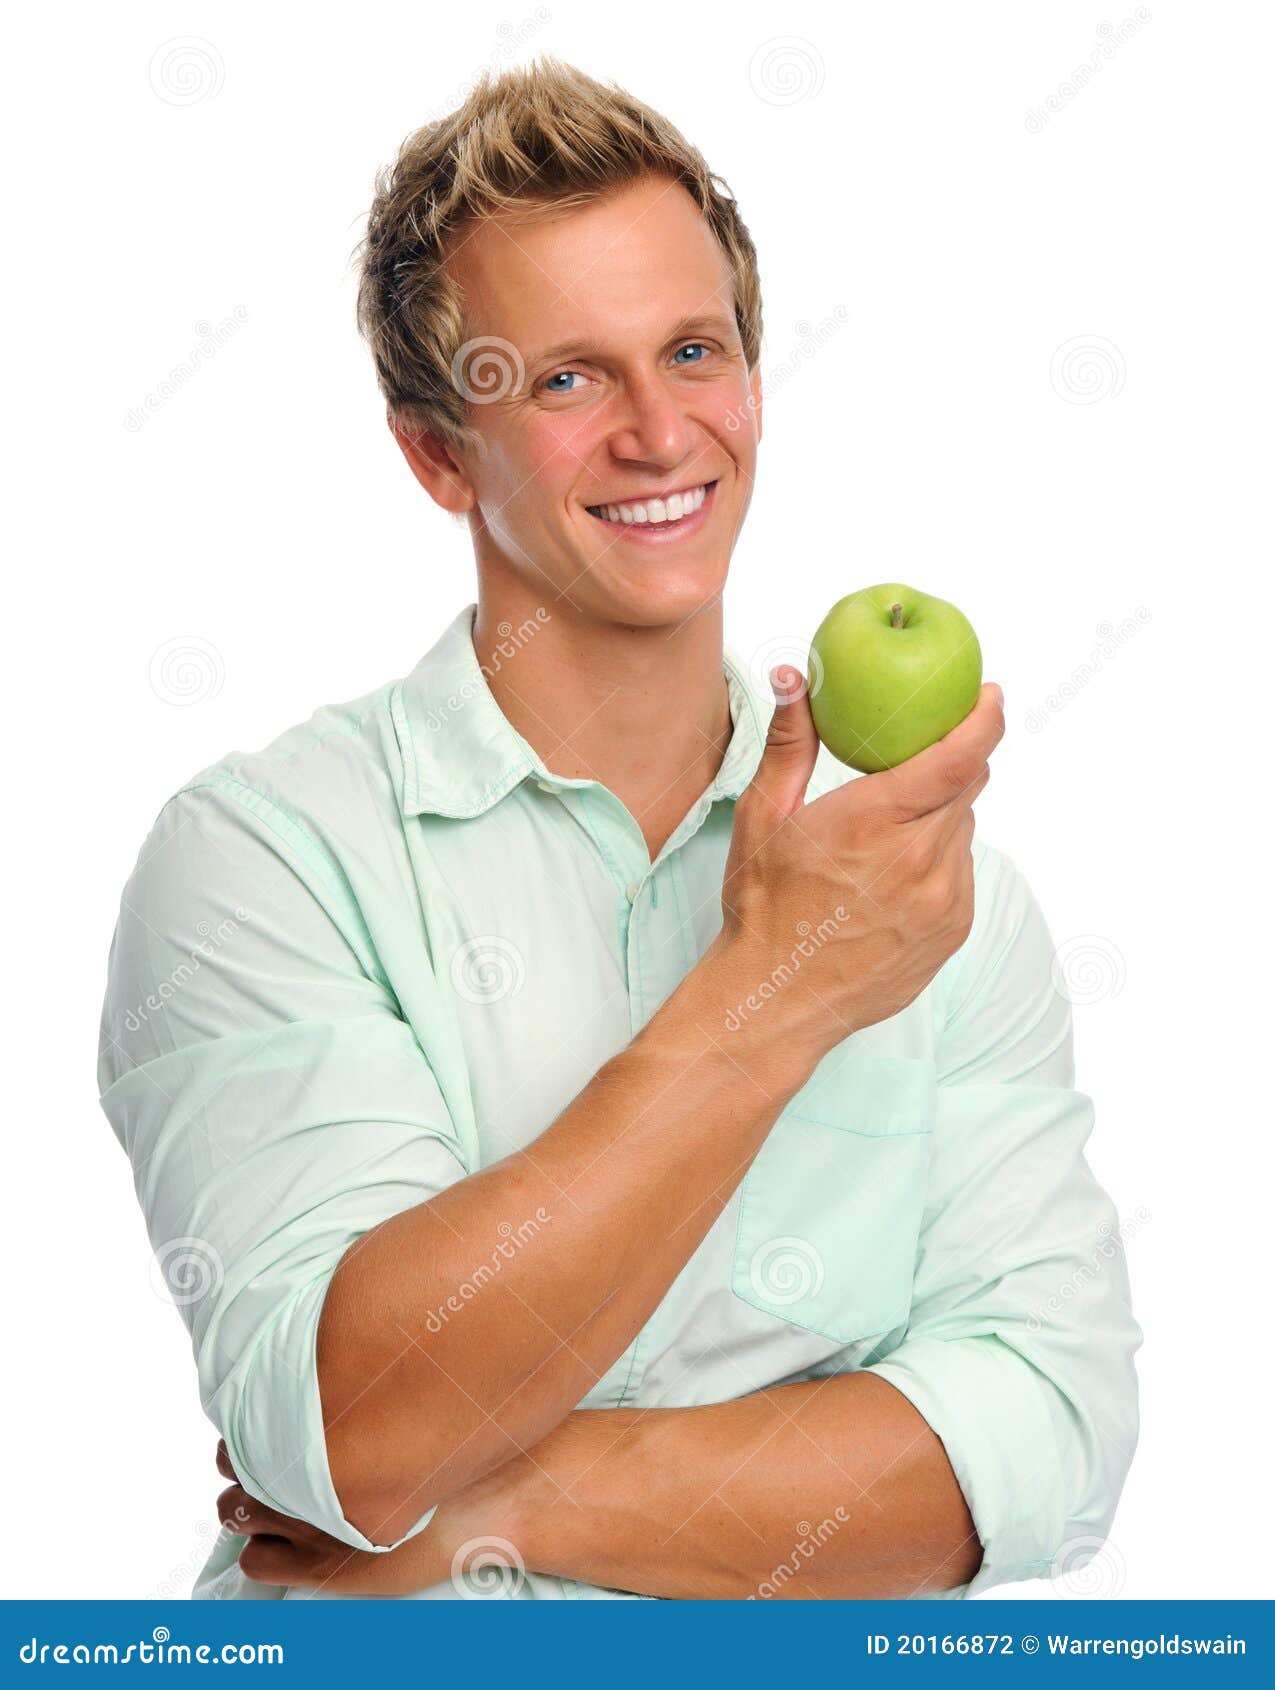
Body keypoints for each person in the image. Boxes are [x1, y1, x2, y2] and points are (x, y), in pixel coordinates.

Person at [97, 57, 1139, 1602]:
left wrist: (503, 1504)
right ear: (439, 451)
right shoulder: (263, 861)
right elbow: (366, 1426)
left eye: (694, 351)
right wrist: (774, 1000)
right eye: (567, 379)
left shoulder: (933, 899)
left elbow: (1049, 1433)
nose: (662, 433)